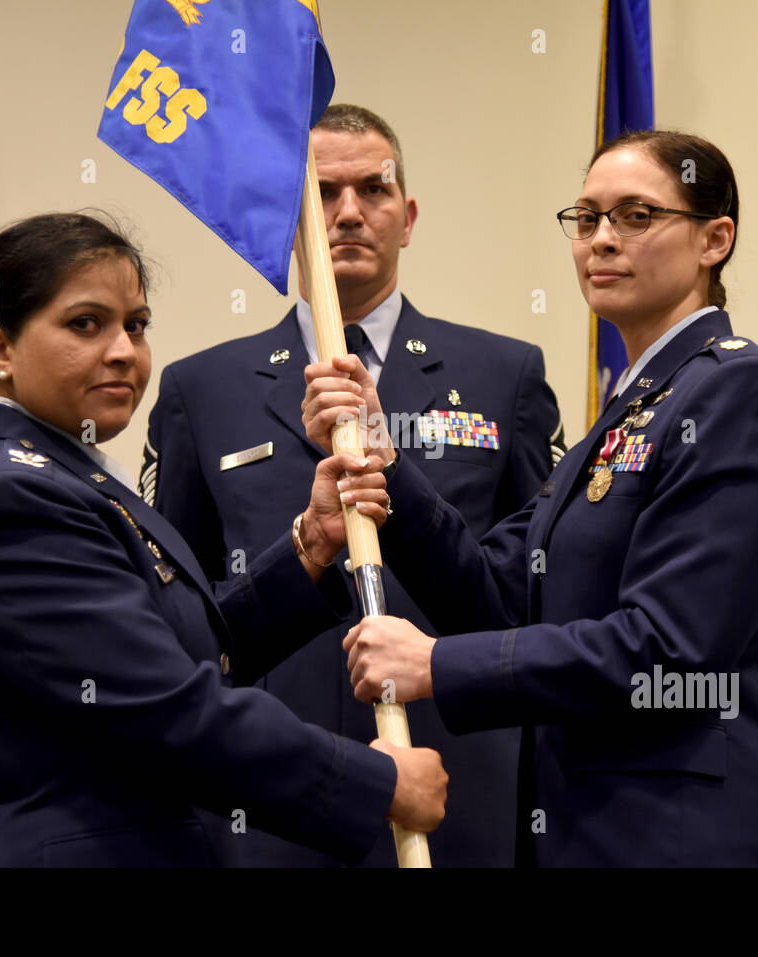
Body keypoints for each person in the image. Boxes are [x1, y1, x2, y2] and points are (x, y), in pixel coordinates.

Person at [304, 130, 758, 866]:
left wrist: (437, 666)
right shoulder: (633, 408)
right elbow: (499, 596)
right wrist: (390, 469)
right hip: (592, 831)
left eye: (636, 216)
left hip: (686, 835)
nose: (601, 240)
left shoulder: (733, 393)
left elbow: (671, 655)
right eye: (586, 218)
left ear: (715, 239)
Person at [0, 212, 447, 866]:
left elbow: (189, 651)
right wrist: (378, 782)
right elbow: (170, 711)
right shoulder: (16, 500)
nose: (122, 350)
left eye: (135, 325)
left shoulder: (67, 475)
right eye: (85, 324)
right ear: (0, 348)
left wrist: (310, 547)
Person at [142, 105, 564, 866]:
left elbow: (531, 603)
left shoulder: (504, 377)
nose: (347, 213)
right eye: (323, 193)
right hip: (273, 812)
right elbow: (184, 624)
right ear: (289, 221)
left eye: (372, 190)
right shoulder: (200, 389)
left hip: (460, 796)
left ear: (407, 217)